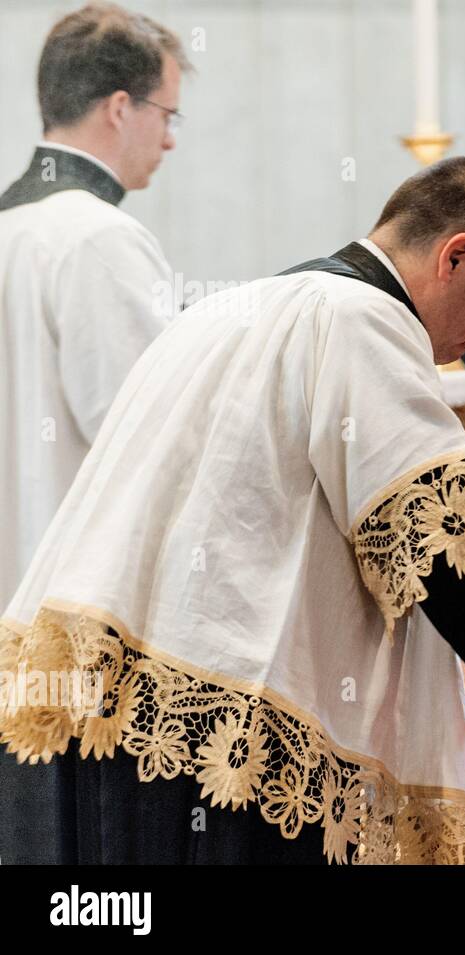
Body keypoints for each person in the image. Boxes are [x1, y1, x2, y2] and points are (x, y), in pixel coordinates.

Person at [0, 155, 465, 864]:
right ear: (456, 255)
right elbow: (446, 536)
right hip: (210, 751)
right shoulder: (362, 321)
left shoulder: (225, 313)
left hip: (93, 717)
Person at [0, 1, 190, 864]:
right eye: (167, 114)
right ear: (121, 107)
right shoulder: (101, 239)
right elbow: (145, 446)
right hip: (69, 628)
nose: (171, 140)